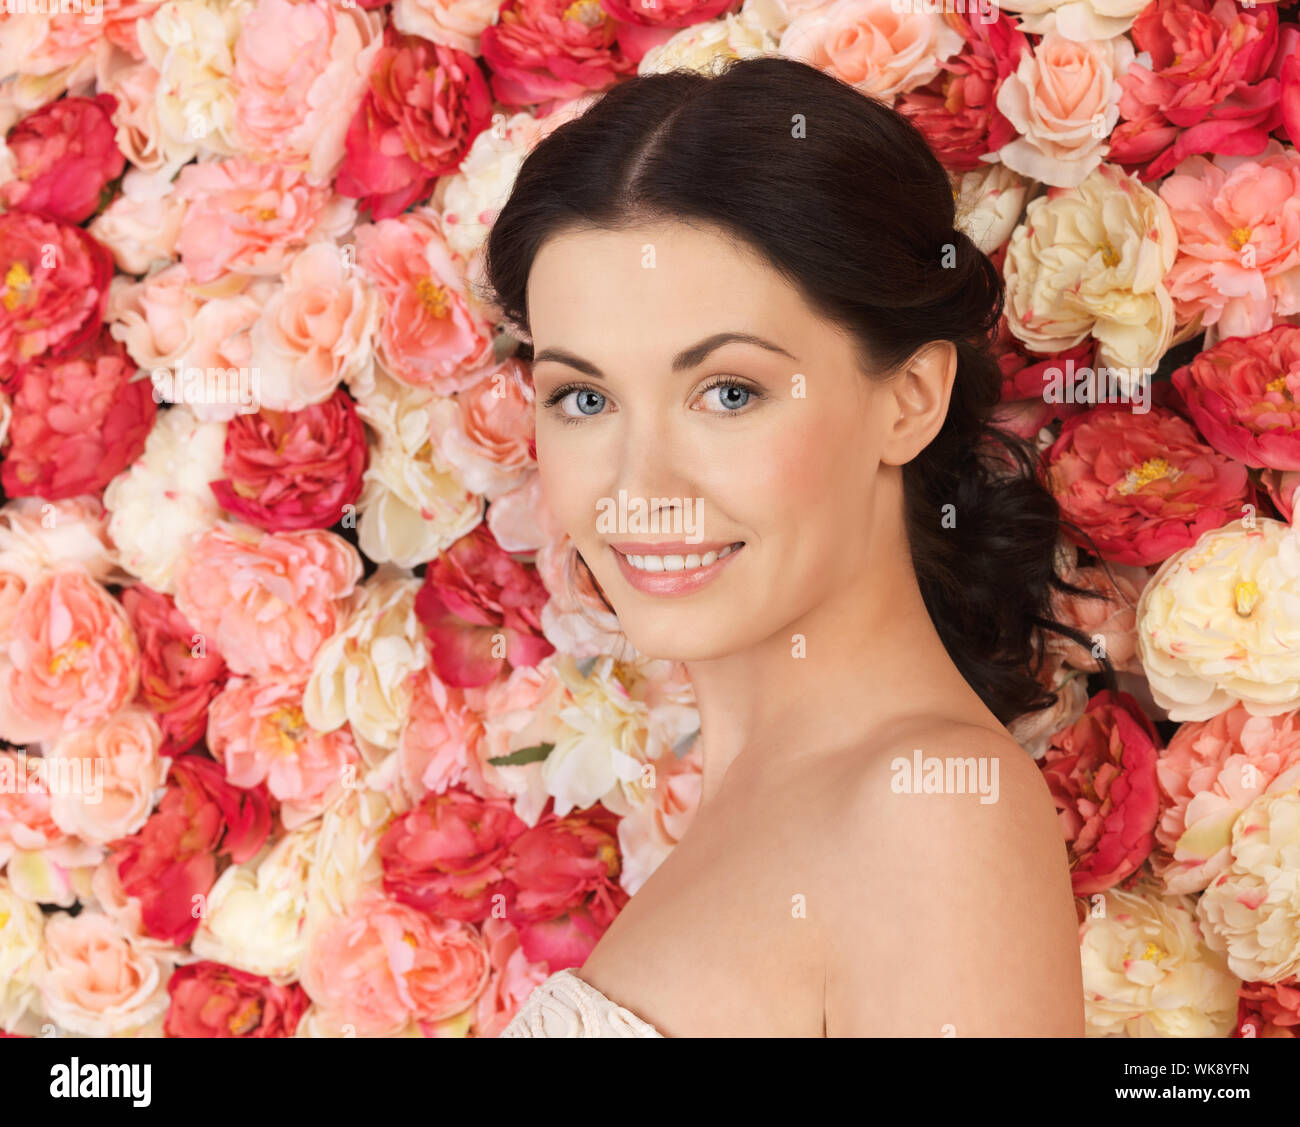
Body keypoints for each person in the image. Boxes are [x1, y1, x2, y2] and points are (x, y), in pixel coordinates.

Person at [484, 55, 1116, 1038]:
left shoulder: (930, 815)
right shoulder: (768, 793)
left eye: (727, 391)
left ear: (907, 400)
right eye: (584, 397)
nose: (639, 489)